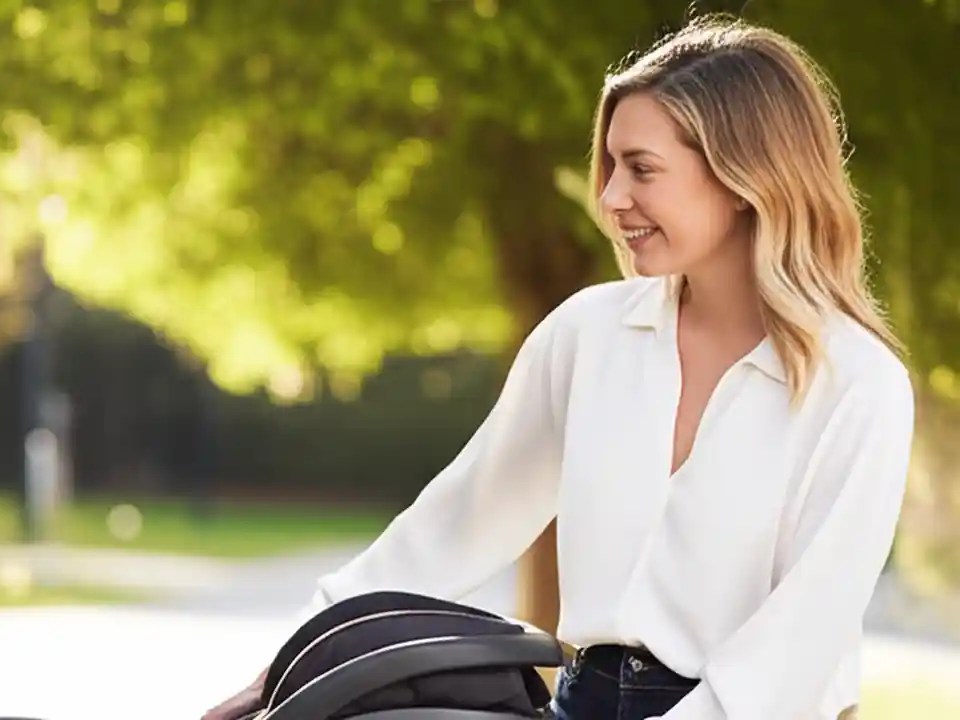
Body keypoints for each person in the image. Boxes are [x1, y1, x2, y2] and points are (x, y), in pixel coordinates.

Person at [202, 14, 914, 720]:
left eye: (642, 169)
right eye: (609, 166)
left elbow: (801, 641)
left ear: (742, 177)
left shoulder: (858, 384)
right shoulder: (587, 336)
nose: (609, 199)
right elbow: (446, 533)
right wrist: (292, 666)